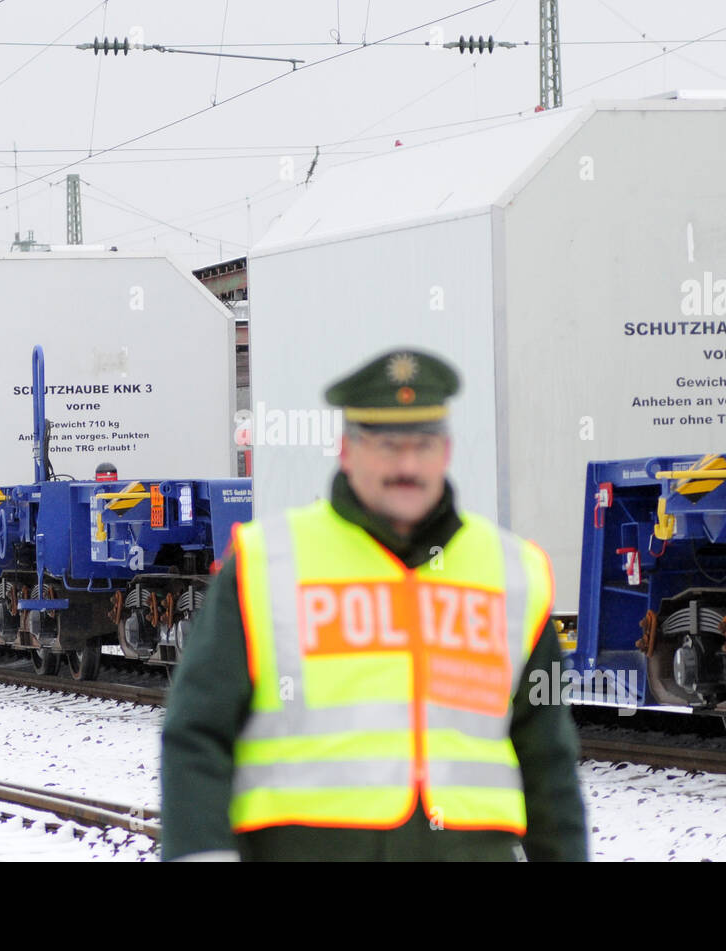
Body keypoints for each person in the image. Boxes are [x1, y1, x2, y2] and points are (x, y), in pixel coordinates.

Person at [161, 348, 587, 861]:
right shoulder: (267, 563)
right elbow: (197, 731)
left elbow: (548, 761)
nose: (406, 465)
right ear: (346, 451)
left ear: (447, 451)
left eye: (423, 445)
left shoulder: (510, 572)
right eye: (386, 445)